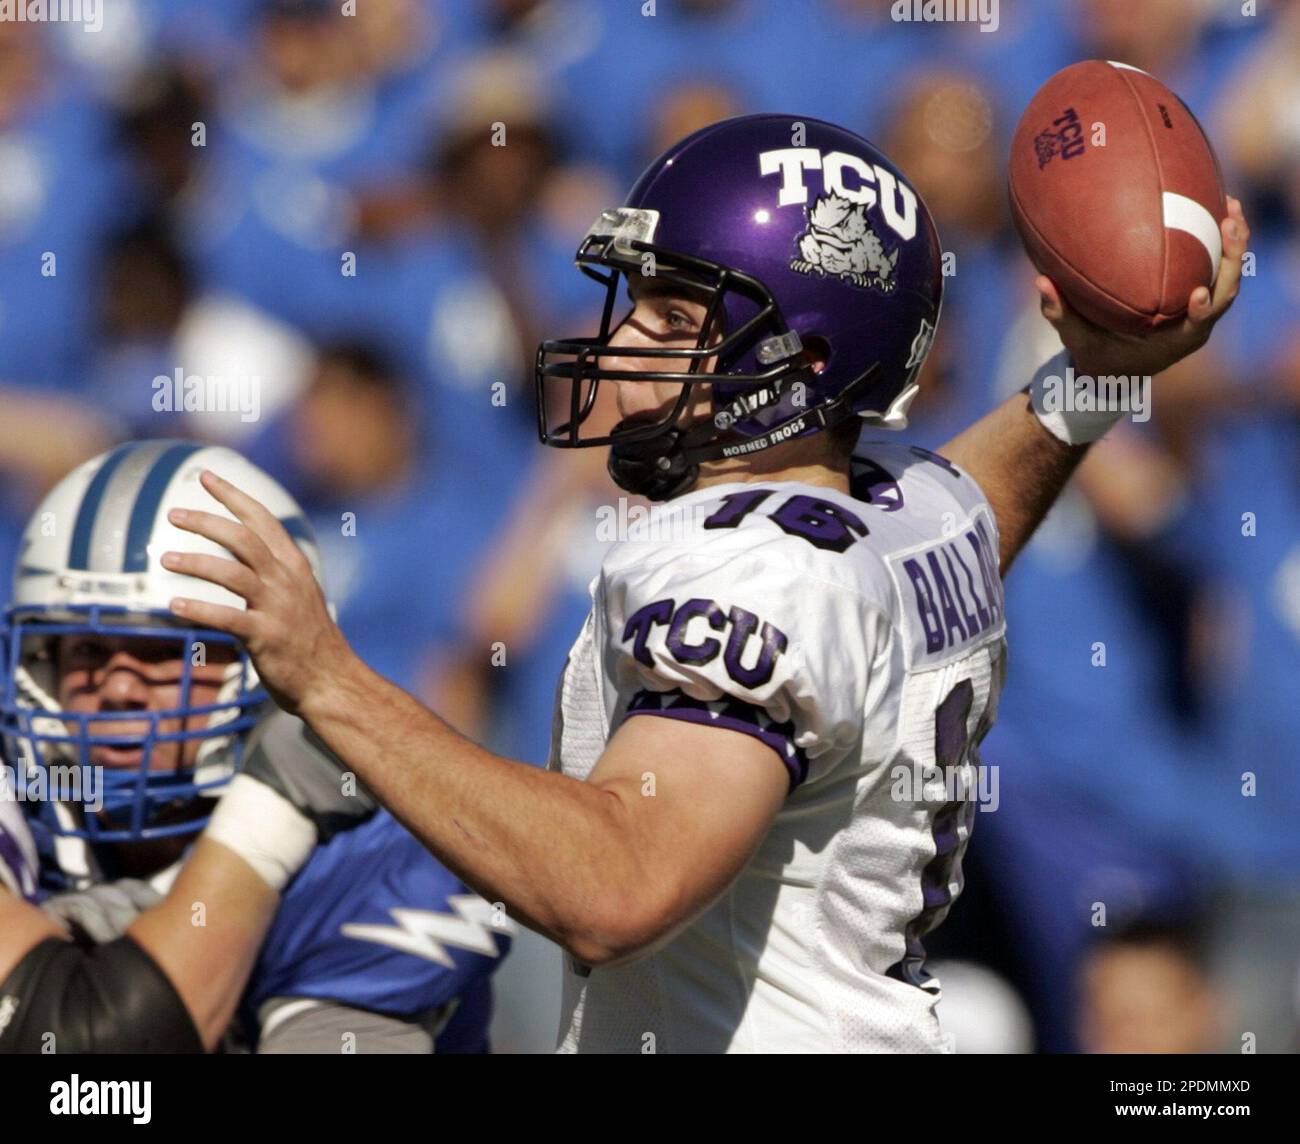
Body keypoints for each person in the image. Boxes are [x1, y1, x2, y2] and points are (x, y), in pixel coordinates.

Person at [157, 114, 1248, 1052]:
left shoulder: (753, 574)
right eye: (633, 300)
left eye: (675, 322)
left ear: (804, 365)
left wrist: (331, 679)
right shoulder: (904, 506)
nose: (622, 340)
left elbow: (616, 884)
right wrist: (1097, 372)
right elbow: (974, 505)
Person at [0, 441, 510, 1052]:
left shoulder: (371, 859)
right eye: (86, 650)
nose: (118, 687)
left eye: (167, 653)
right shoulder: (23, 813)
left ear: (269, 666)